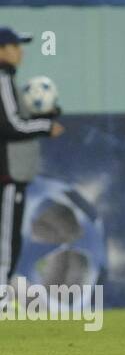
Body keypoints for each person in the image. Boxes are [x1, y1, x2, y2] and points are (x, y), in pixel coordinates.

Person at [0, 28, 64, 301]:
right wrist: (46, 126)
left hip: (11, 175)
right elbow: (11, 125)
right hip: (6, 174)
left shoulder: (8, 79)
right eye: (14, 46)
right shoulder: (2, 78)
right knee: (5, 240)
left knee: (9, 239)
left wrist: (43, 115)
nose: (20, 51)